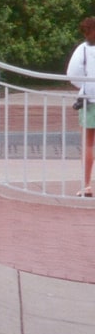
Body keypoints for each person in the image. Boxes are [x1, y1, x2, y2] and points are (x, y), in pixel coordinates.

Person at [67, 15, 95, 197]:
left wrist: (83, 86)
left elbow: (72, 73)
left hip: (89, 98)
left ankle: (86, 185)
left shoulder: (83, 50)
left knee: (88, 143)